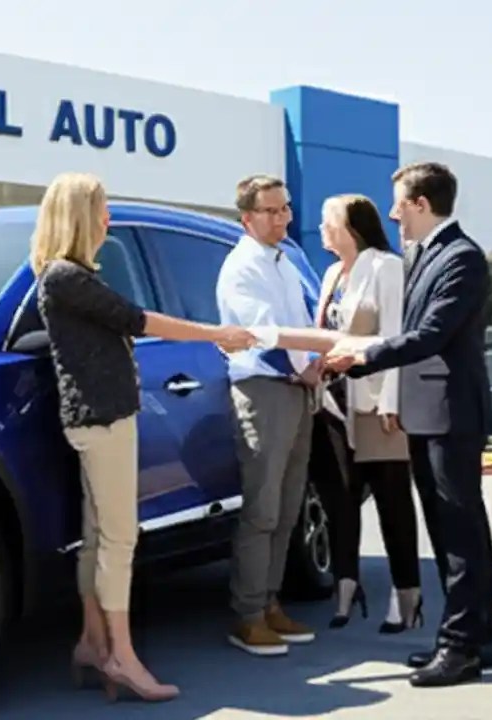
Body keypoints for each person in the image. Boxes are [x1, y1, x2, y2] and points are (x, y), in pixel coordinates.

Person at [31, 172, 255, 702]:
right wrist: (214, 333)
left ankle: (92, 643)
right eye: (102, 210)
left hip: (97, 417)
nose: (108, 220)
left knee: (98, 535)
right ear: (81, 215)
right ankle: (122, 658)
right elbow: (137, 320)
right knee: (119, 538)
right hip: (103, 419)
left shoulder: (66, 276)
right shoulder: (66, 277)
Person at [326, 161, 492, 687]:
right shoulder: (425, 255)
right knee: (449, 534)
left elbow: (428, 335)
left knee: (460, 532)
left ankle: (462, 648)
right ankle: (474, 640)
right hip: (430, 415)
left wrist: (360, 358)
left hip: (452, 416)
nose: (393, 213)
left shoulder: (461, 258)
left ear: (422, 205)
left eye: (399, 202)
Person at [215, 174, 322, 657]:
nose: (283, 218)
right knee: (262, 509)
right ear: (248, 218)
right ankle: (249, 615)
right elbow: (266, 333)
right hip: (265, 388)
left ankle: (271, 602)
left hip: (297, 389)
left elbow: (300, 326)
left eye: (286, 209)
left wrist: (314, 367)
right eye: (272, 211)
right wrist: (311, 364)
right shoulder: (242, 267)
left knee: (288, 505)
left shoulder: (284, 261)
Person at [312, 194, 422, 633]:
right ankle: (345, 585)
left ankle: (406, 595)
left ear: (351, 226)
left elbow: (397, 337)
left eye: (328, 220)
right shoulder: (331, 273)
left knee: (393, 503)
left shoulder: (385, 267)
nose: (321, 228)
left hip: (377, 404)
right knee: (340, 500)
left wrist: (393, 402)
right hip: (334, 405)